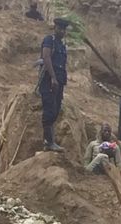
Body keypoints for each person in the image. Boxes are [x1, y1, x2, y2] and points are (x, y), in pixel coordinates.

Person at [39, 18, 71, 152]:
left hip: (59, 83)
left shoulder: (62, 46)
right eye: (60, 28)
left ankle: (50, 142)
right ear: (55, 28)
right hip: (49, 81)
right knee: (49, 110)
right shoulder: (49, 40)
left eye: (64, 29)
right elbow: (46, 58)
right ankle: (48, 142)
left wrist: (61, 80)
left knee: (56, 110)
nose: (62, 31)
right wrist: (53, 77)